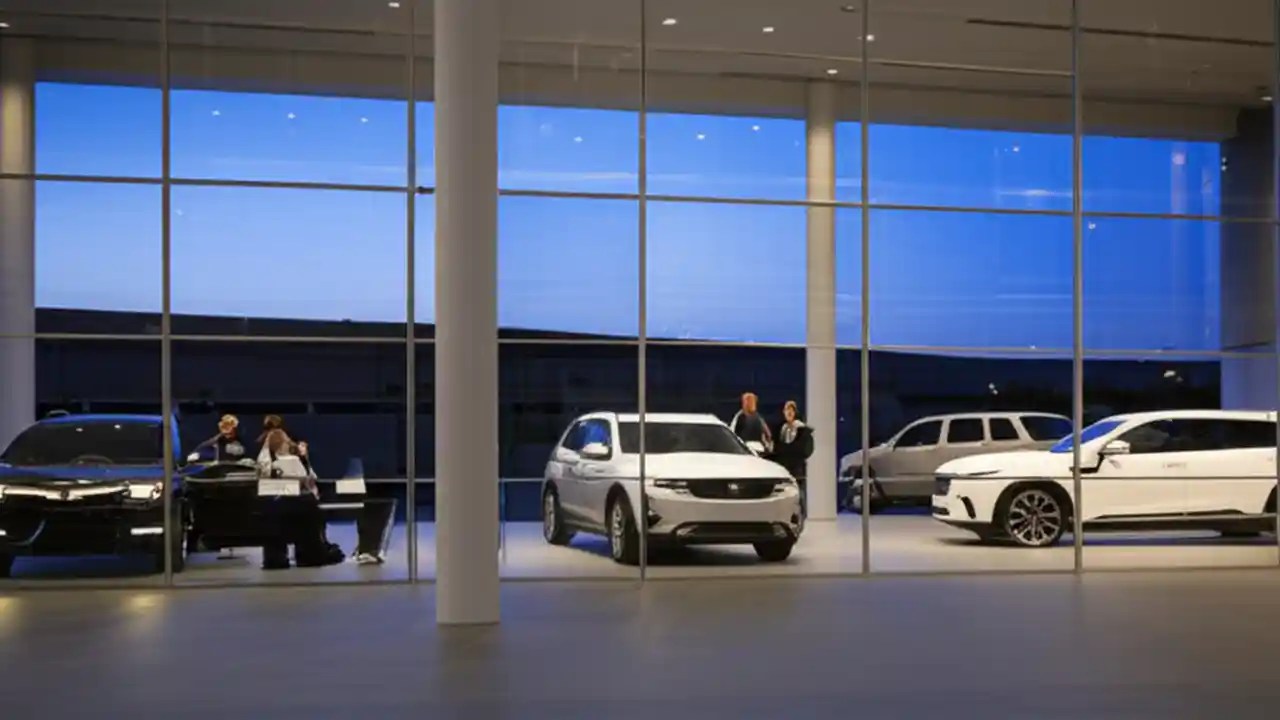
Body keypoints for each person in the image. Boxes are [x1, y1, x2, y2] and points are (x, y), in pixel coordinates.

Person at [256, 415, 344, 570]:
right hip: (294, 501)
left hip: (277, 501)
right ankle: (308, 554)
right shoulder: (289, 454)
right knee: (307, 509)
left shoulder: (269, 453)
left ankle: (278, 558)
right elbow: (309, 478)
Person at [772, 400, 815, 516]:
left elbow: (807, 450)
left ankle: (801, 515)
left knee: (799, 493)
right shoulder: (782, 429)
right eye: (787, 410)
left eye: (792, 410)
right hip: (784, 468)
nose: (789, 413)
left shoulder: (802, 429)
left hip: (797, 468)